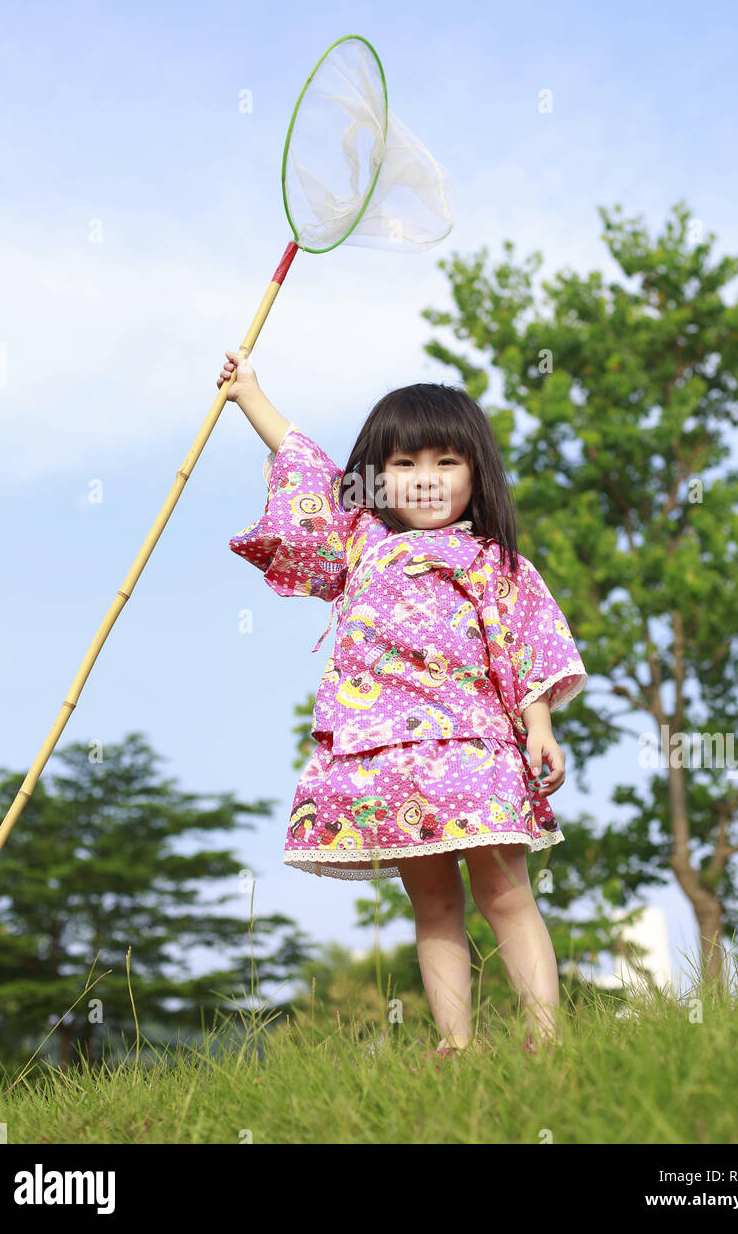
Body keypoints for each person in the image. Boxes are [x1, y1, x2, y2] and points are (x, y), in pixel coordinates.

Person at [218, 349, 588, 1057]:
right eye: (405, 463)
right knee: (434, 903)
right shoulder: (360, 540)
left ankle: (547, 1040)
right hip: (384, 756)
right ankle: (455, 1045)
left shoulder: (495, 563)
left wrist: (540, 728)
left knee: (505, 892)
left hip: (474, 750)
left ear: (477, 472)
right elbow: (308, 468)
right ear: (376, 475)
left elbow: (530, 649)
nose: (426, 479)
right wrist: (250, 394)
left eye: (446, 462)